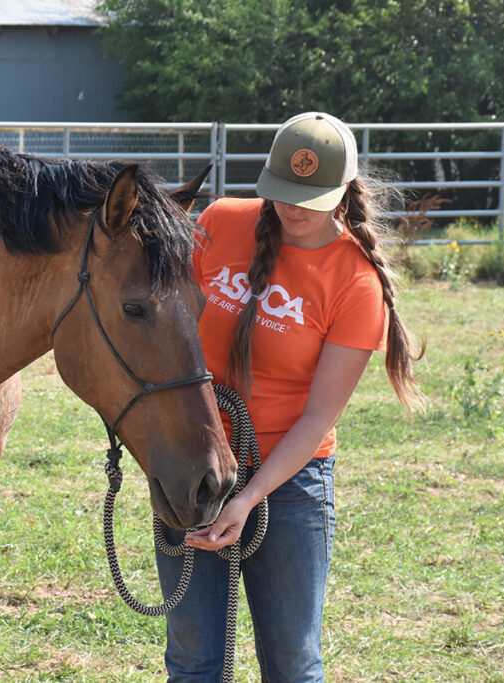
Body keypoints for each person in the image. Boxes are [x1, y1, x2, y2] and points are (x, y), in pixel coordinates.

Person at [156, 112, 423, 682]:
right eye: (282, 194)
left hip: (290, 482)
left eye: (311, 197)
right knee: (193, 659)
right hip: (195, 466)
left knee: (292, 662)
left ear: (345, 191)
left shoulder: (355, 284)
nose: (292, 209)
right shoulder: (223, 221)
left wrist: (248, 498)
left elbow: (319, 416)